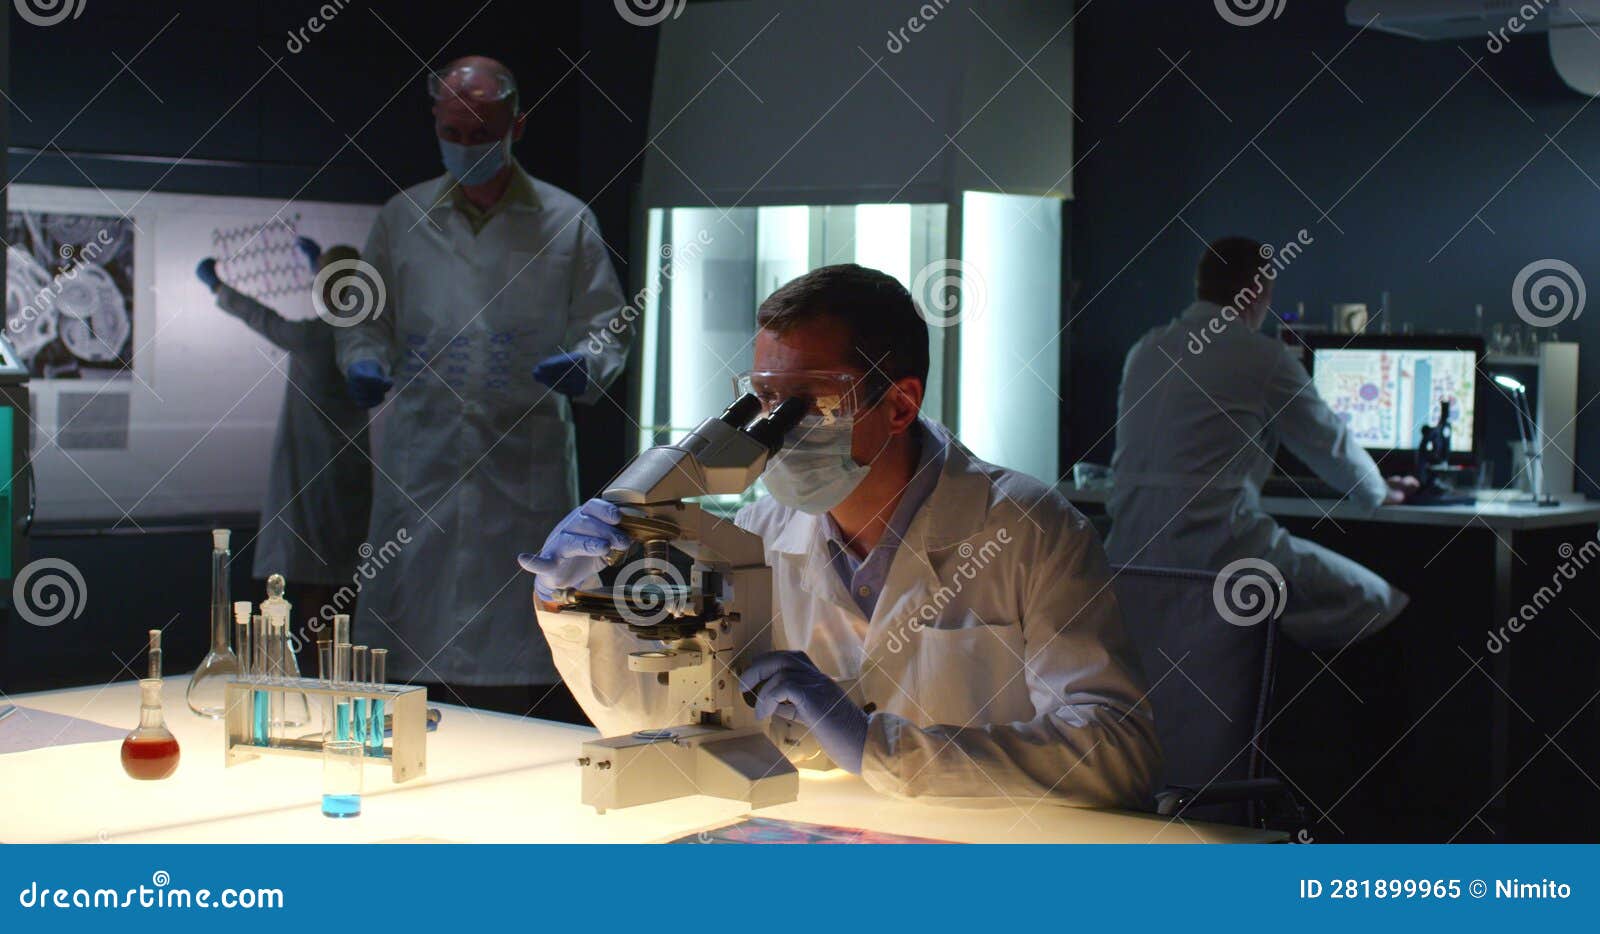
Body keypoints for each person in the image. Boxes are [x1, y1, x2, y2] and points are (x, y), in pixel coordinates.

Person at [521, 264, 1160, 809]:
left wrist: (876, 745)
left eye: (812, 402)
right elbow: (665, 728)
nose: (777, 428)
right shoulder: (757, 535)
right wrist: (574, 603)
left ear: (900, 405)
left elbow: (1117, 754)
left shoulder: (1028, 530)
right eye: (767, 401)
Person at [336, 56, 627, 718]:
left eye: (481, 132)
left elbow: (608, 324)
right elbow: (366, 320)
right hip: (424, 463)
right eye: (453, 132)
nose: (466, 147)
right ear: (435, 124)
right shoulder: (401, 217)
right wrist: (361, 361)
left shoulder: (565, 221)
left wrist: (588, 363)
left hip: (520, 467)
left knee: (517, 661)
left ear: (516, 125)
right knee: (406, 655)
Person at [1105, 236, 1415, 650]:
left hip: (1128, 562)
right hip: (1216, 551)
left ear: (1201, 286)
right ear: (1259, 294)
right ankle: (1262, 650)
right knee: (1374, 600)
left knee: (1266, 602)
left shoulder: (1144, 349)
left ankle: (1250, 646)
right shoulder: (1262, 356)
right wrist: (1378, 492)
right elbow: (1326, 440)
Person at [196, 237, 372, 657]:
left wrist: (218, 286)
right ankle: (335, 670)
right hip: (350, 474)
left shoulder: (315, 337)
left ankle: (317, 671)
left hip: (312, 477)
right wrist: (320, 264)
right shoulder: (365, 337)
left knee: (314, 582)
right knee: (341, 579)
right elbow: (340, 301)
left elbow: (264, 319)